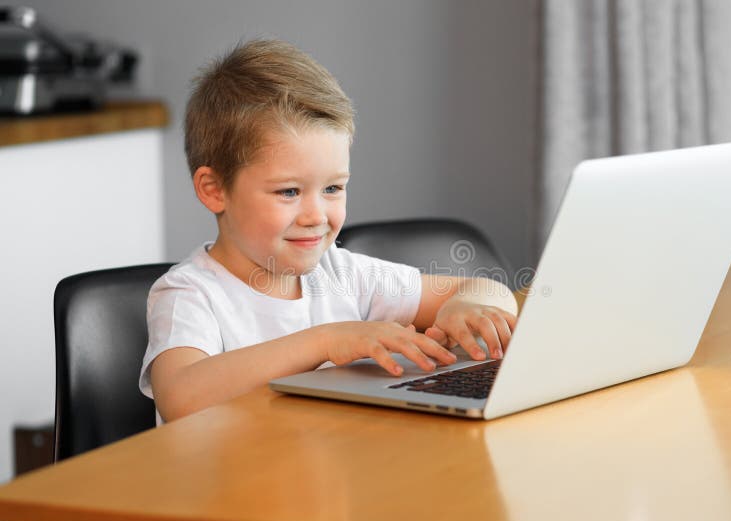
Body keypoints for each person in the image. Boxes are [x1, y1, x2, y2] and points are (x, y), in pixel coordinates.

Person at [140, 39, 518, 423]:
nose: (315, 215)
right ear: (214, 189)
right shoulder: (190, 294)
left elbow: (486, 289)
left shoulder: (341, 275)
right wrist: (327, 340)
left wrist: (468, 309)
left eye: (333, 188)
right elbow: (181, 396)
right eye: (289, 191)